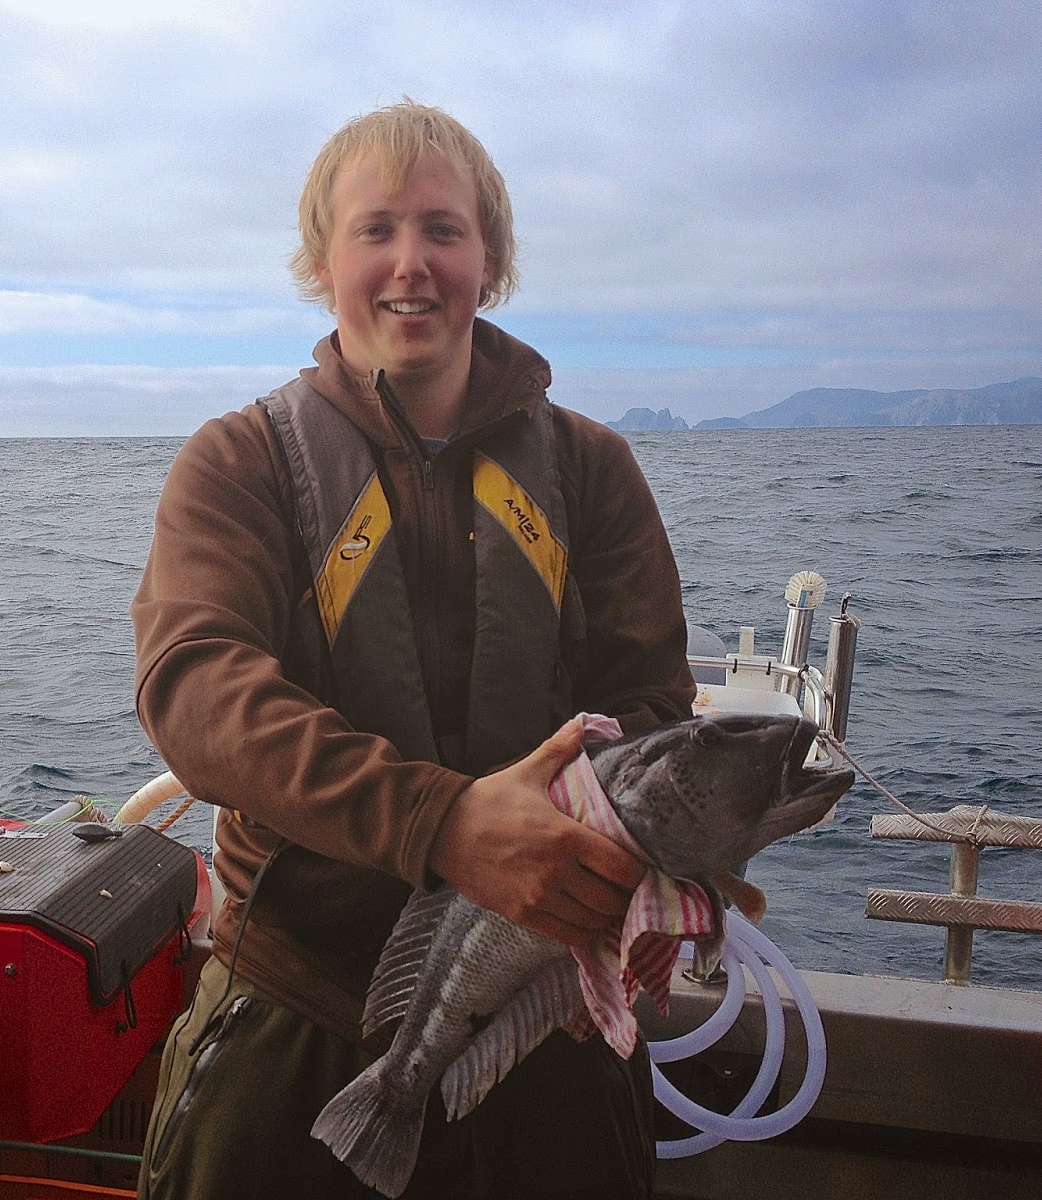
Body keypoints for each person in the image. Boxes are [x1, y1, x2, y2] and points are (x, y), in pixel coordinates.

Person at [132, 100, 697, 1199]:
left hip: (547, 1019)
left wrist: (658, 879)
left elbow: (654, 716)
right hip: (296, 1006)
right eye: (375, 230)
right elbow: (197, 694)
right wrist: (442, 825)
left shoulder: (592, 471)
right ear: (321, 261)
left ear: (491, 261)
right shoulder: (238, 463)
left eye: (444, 229)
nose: (411, 264)